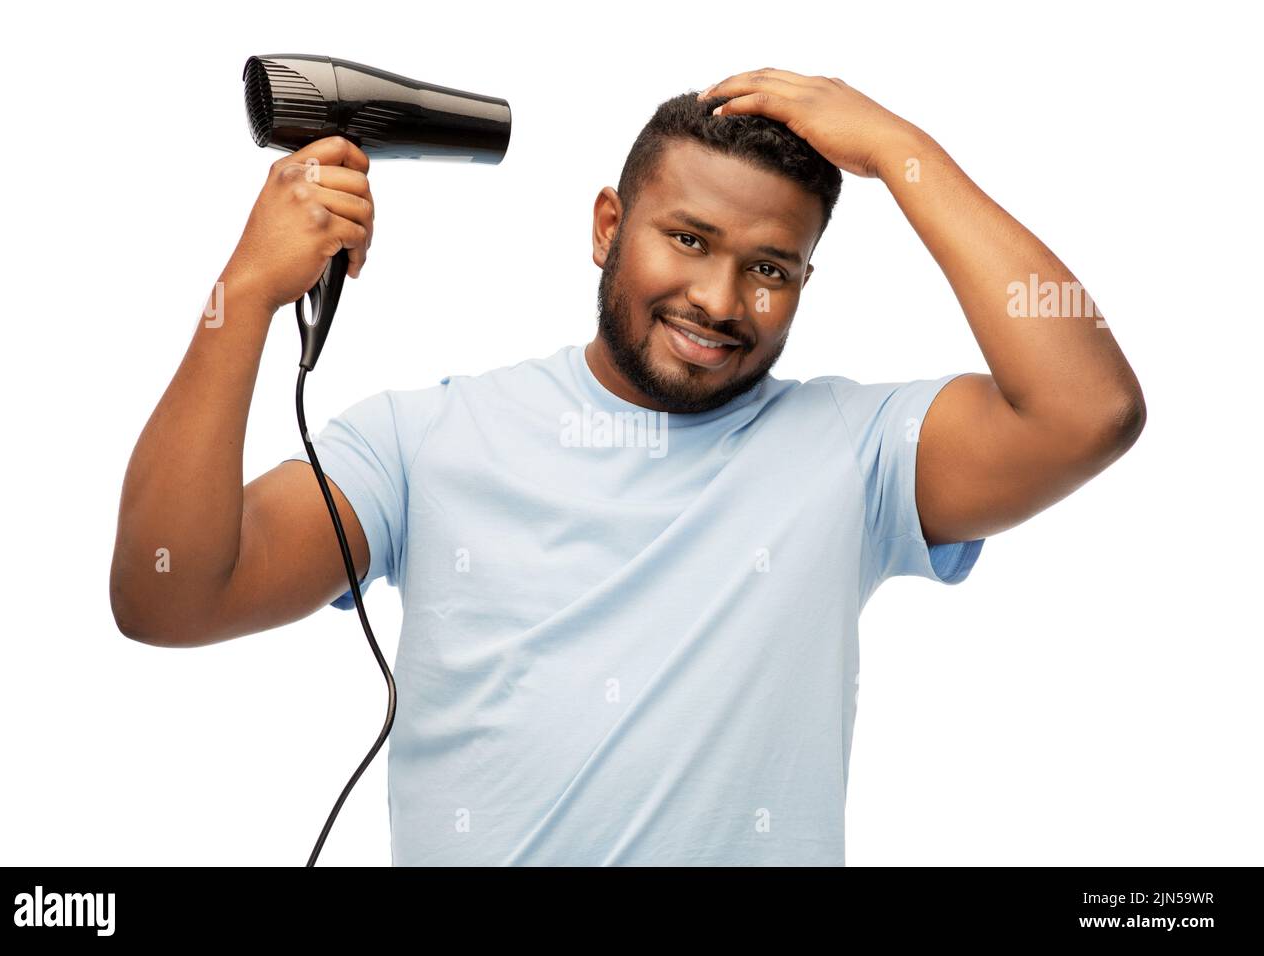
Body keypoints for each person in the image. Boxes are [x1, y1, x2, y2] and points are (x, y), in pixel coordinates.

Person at [110, 70, 1145, 865]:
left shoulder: (855, 454)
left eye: (770, 268)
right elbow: (169, 593)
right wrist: (243, 295)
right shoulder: (424, 440)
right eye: (687, 238)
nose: (720, 298)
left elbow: (1087, 409)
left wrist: (898, 149)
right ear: (608, 225)